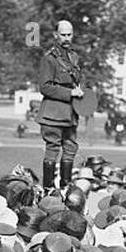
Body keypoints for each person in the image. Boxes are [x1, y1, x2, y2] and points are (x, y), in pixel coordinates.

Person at [37, 18, 84, 193]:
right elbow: (45, 87)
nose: (66, 38)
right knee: (52, 149)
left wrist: (81, 89)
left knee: (71, 148)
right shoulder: (49, 59)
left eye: (69, 34)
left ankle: (66, 186)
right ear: (56, 35)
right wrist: (70, 93)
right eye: (62, 34)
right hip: (53, 114)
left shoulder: (74, 57)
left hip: (71, 113)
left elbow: (79, 79)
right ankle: (48, 188)